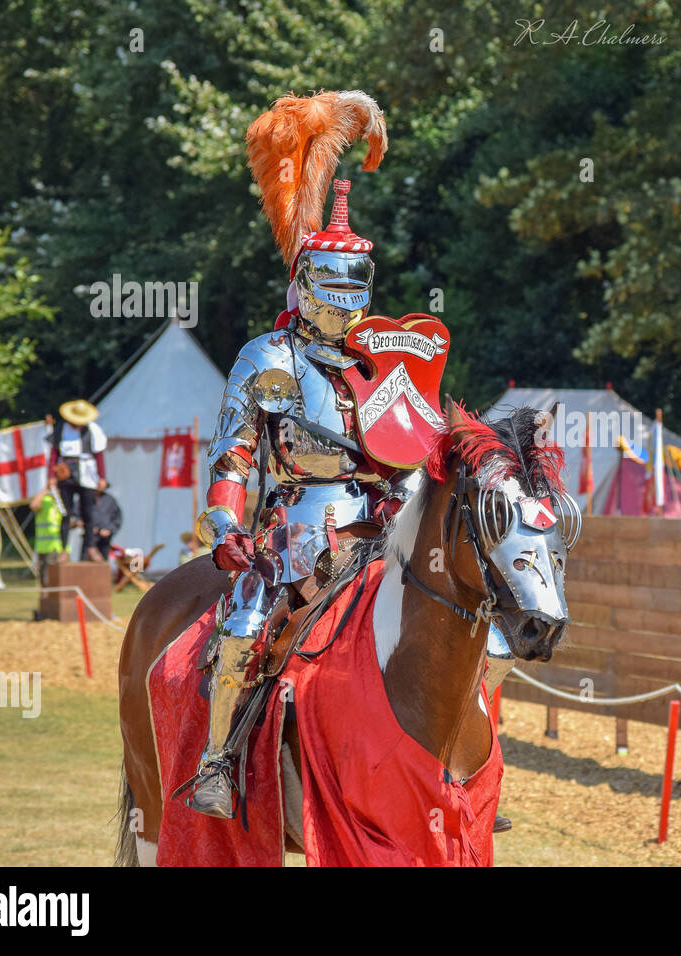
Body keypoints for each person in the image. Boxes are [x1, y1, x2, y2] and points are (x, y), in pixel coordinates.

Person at [183, 90, 454, 818]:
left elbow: (413, 435)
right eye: (329, 288)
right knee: (244, 624)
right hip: (296, 528)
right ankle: (218, 762)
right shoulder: (267, 357)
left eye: (353, 290)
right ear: (303, 285)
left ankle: (449, 762)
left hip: (386, 520)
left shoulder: (386, 356)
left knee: (454, 624)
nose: (342, 303)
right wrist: (225, 523)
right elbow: (234, 455)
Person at [48, 399, 108, 562]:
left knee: (88, 512)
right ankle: (63, 550)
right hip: (66, 473)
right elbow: (54, 454)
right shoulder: (61, 429)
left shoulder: (93, 430)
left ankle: (91, 547)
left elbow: (99, 455)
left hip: (87, 474)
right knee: (65, 513)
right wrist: (51, 476)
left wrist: (102, 477)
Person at [28, 478, 67, 584]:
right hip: (46, 547)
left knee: (63, 578)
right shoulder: (46, 500)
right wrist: (46, 488)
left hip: (61, 547)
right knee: (46, 579)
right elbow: (34, 505)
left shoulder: (64, 503)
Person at [91, 485, 123, 558]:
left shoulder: (110, 500)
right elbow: (78, 516)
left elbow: (117, 518)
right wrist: (89, 528)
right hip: (90, 538)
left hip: (105, 538)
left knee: (103, 561)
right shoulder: (86, 498)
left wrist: (109, 530)